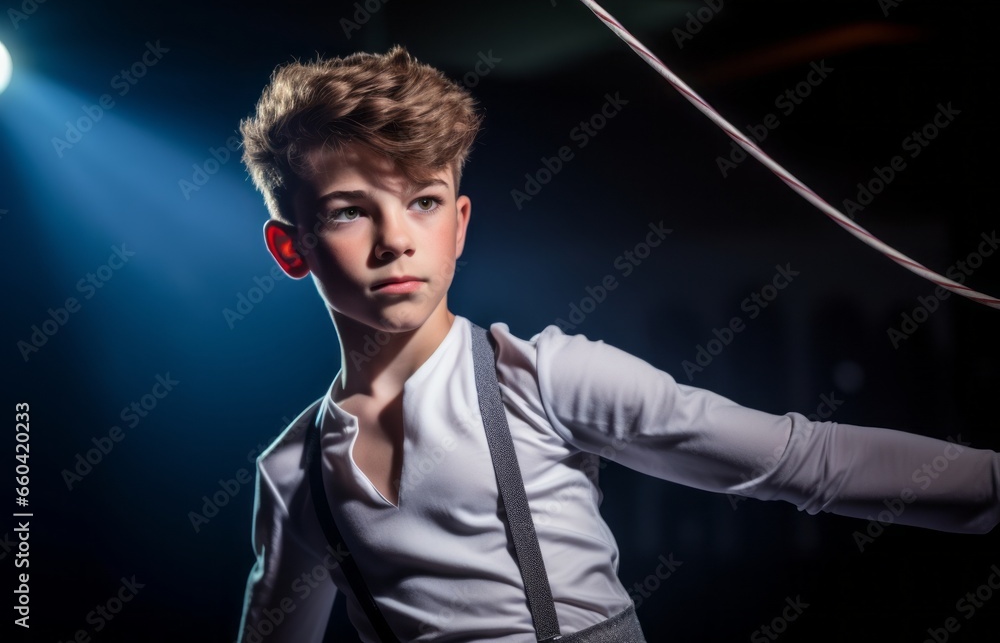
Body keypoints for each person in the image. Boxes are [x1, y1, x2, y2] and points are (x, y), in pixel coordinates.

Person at [235, 46, 999, 643]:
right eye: (347, 212)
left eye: (423, 202)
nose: (397, 240)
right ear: (290, 246)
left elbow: (802, 459)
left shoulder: (544, 379)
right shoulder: (293, 471)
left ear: (460, 224)